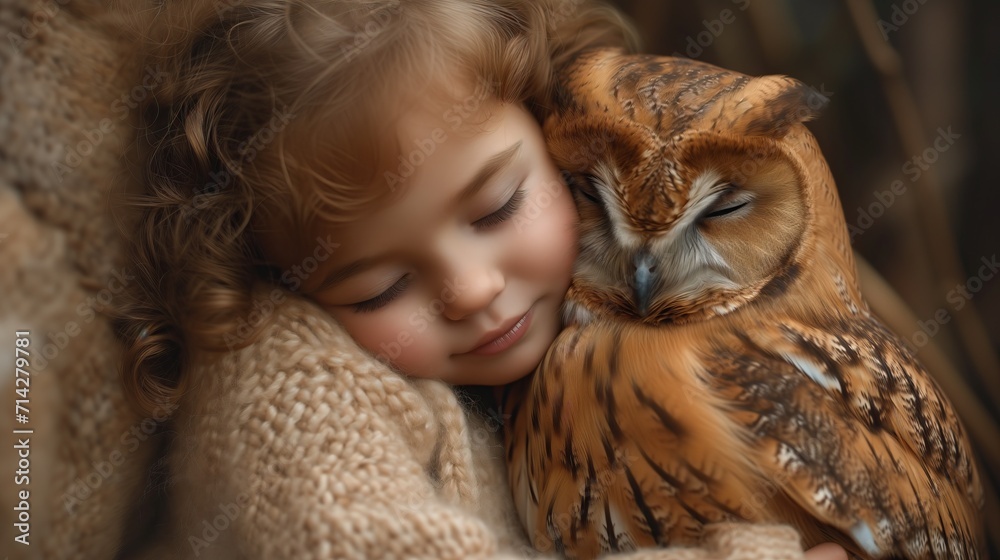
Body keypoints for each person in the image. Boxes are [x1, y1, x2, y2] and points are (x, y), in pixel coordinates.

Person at [113, 0, 849, 558]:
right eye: (377, 288)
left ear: (551, 127)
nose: (469, 291)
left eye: (497, 209)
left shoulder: (615, 296)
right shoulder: (283, 383)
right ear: (272, 277)